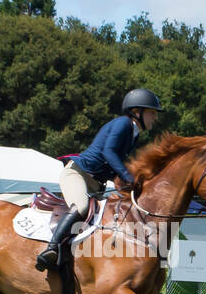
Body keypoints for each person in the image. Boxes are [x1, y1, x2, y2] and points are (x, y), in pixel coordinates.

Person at [35, 88, 161, 271]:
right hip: (77, 174)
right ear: (137, 112)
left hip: (96, 184)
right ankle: (51, 248)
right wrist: (127, 177)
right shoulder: (123, 124)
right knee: (81, 207)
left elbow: (114, 163)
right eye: (152, 113)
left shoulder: (133, 133)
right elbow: (108, 152)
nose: (155, 118)